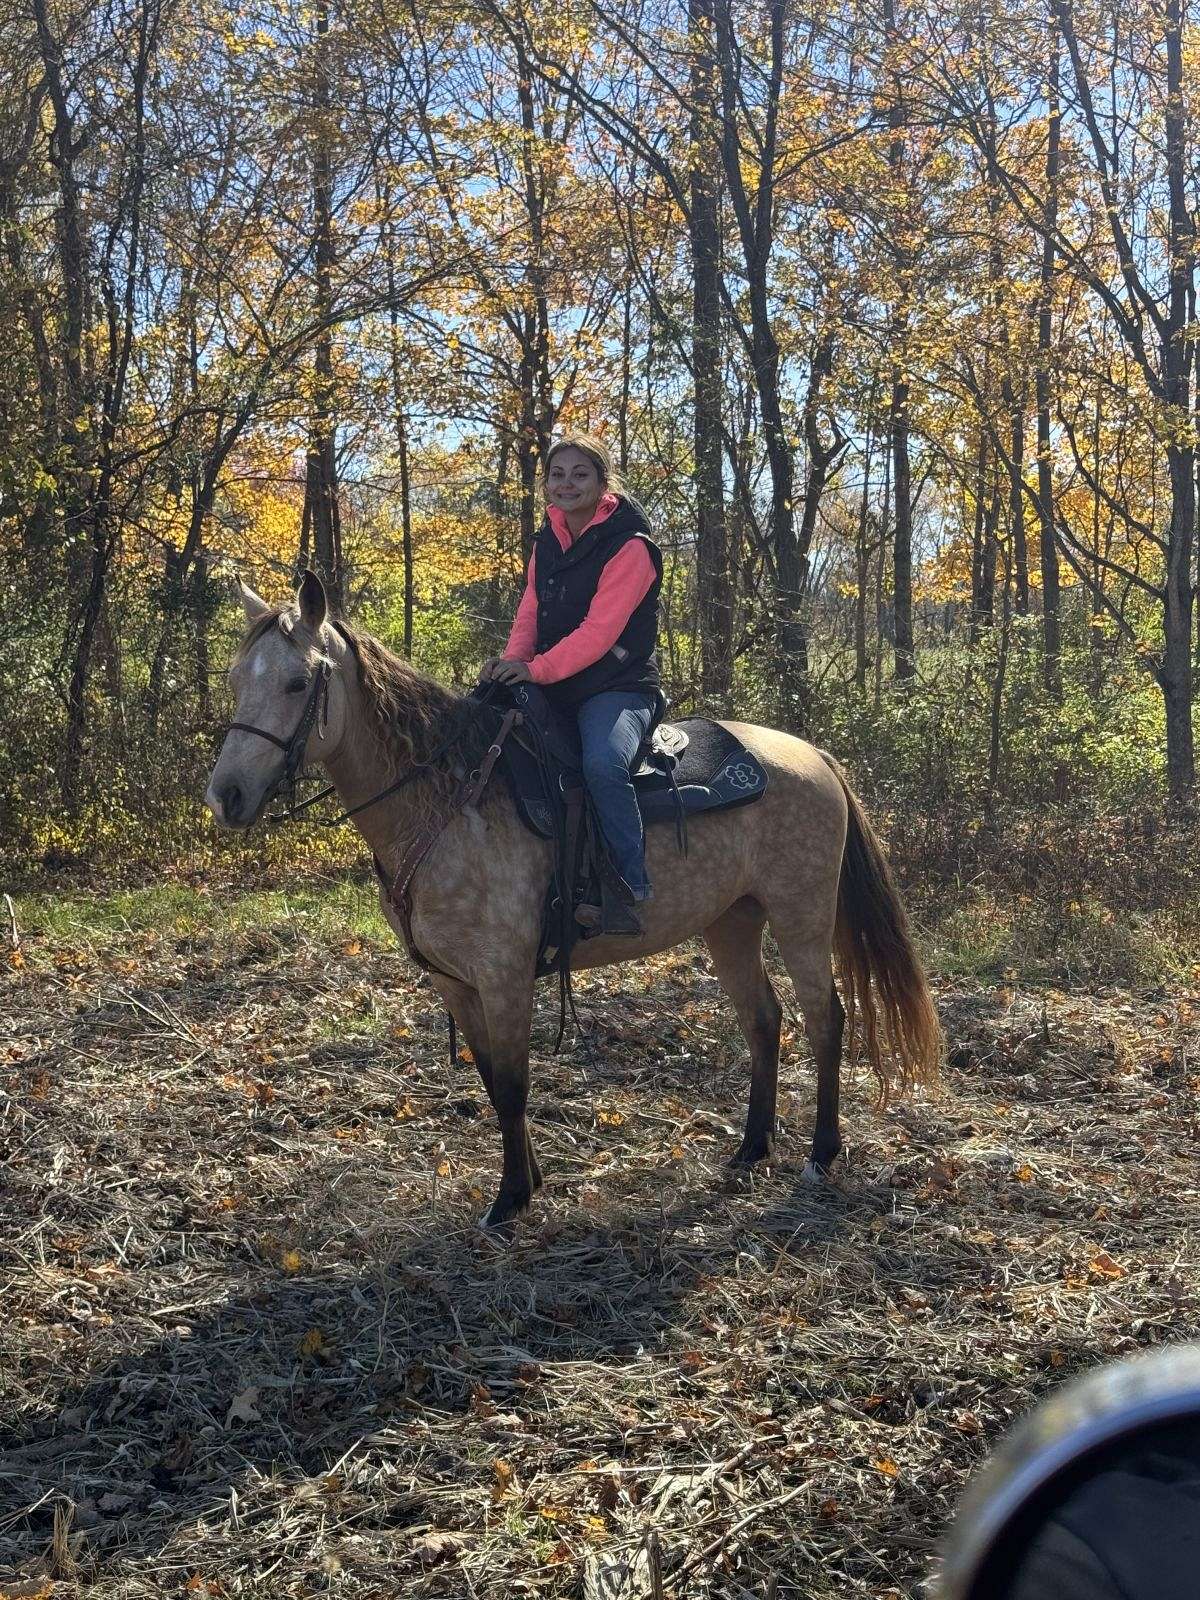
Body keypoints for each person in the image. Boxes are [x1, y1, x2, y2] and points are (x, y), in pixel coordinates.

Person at [481, 433, 664, 935]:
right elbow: (530, 613)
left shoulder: (631, 547)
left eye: (580, 474)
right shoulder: (549, 539)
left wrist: (535, 671)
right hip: (557, 681)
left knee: (603, 765)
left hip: (618, 687)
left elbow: (600, 634)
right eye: (557, 474)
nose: (567, 484)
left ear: (604, 483)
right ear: (546, 485)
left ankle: (628, 887)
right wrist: (511, 663)